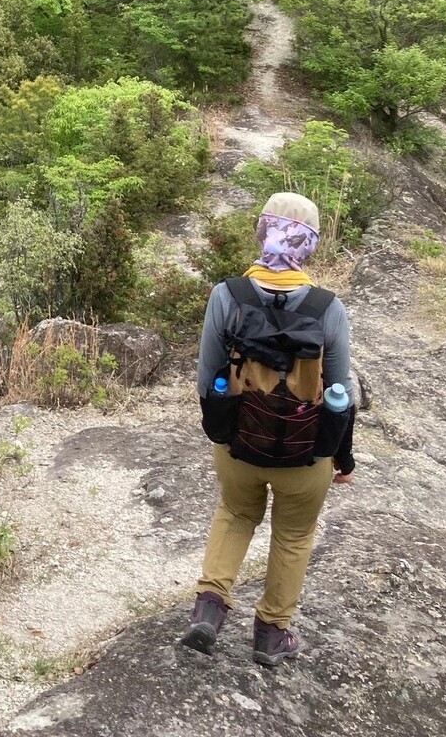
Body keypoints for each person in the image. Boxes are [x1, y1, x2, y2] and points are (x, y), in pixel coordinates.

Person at [180, 192, 355, 667]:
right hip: (306, 452)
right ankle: (271, 633)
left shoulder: (228, 295)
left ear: (262, 231)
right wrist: (343, 457)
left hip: (240, 443)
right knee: (294, 536)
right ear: (310, 245)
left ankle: (209, 609)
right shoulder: (326, 307)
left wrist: (221, 432)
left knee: (236, 514)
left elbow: (205, 377)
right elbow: (342, 390)